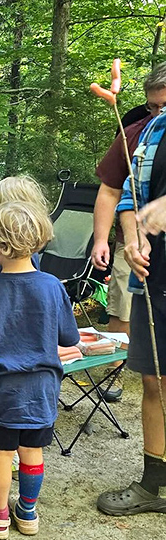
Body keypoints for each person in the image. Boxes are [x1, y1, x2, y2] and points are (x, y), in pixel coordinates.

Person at [0, 202, 79, 539]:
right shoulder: (53, 286)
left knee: (1, 453)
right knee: (32, 451)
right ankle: (27, 512)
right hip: (41, 391)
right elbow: (69, 337)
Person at [96, 103, 166, 516]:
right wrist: (133, 237)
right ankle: (153, 485)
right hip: (155, 279)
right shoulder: (152, 131)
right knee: (154, 381)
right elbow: (127, 194)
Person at [91, 63, 166, 401]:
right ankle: (115, 372)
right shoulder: (137, 133)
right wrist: (101, 239)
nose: (158, 114)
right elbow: (112, 190)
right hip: (135, 249)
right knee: (121, 304)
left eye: (165, 106)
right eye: (153, 106)